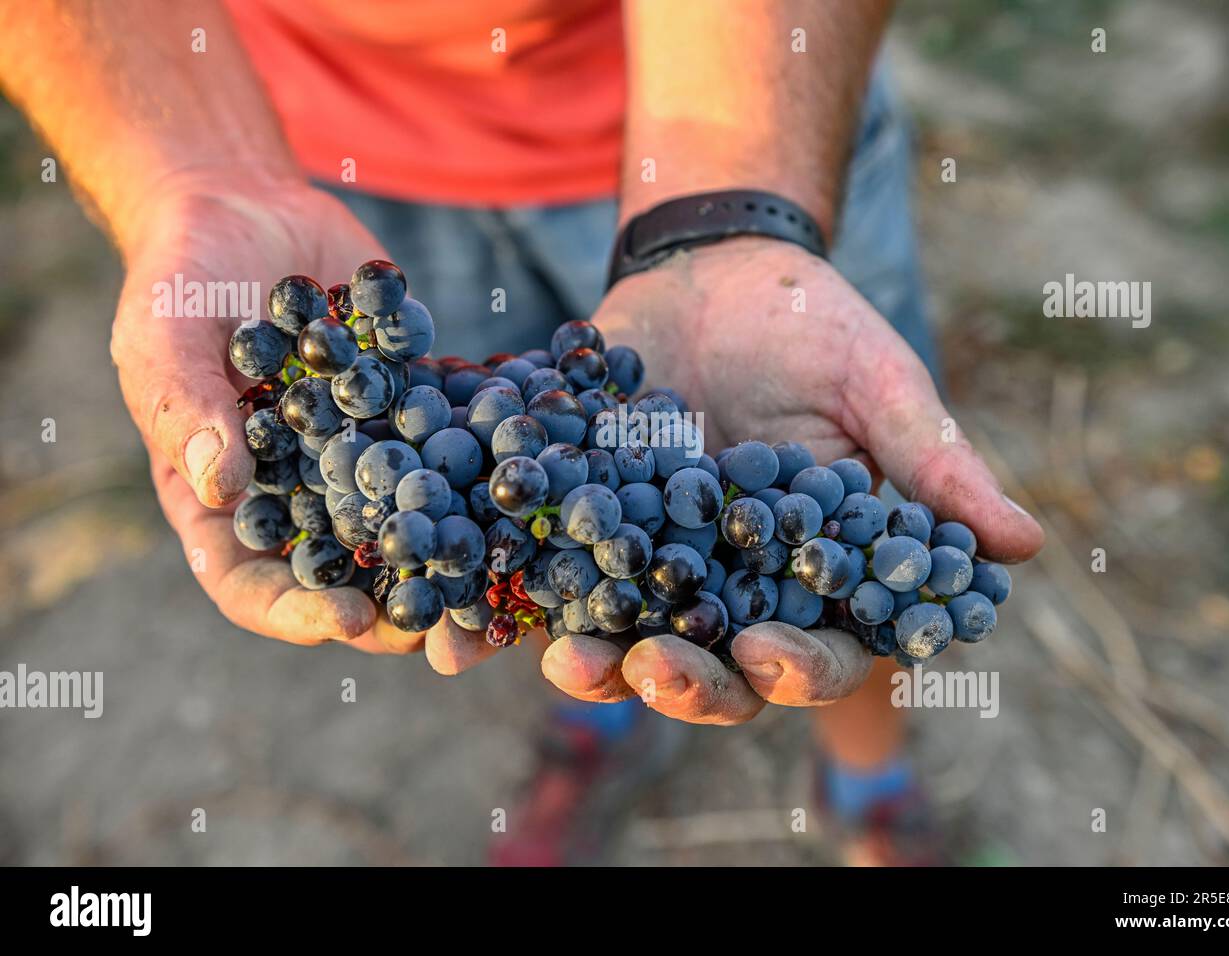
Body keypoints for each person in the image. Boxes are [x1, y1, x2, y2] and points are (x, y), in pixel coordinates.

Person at [0, 1, 1043, 865]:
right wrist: (197, 174)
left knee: (849, 495)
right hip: (334, 155)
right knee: (539, 573)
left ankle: (870, 777)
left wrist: (728, 204)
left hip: (725, 104)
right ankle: (603, 720)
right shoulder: (371, 361)